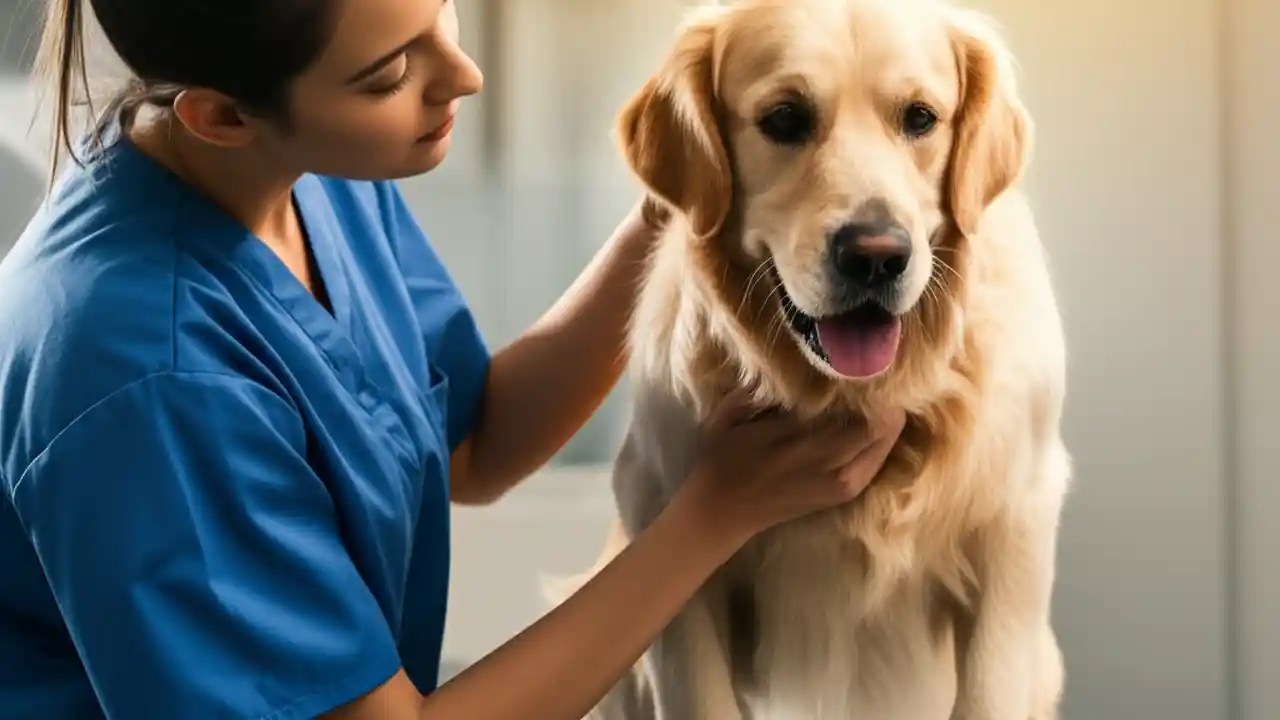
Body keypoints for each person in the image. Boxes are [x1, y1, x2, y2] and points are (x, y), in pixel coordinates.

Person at [0, 0, 906, 718]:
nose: (462, 76)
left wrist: (688, 192)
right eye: (393, 72)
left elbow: (479, 444)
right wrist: (710, 516)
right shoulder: (147, 380)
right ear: (224, 114)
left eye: (442, 9)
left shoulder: (294, 171)